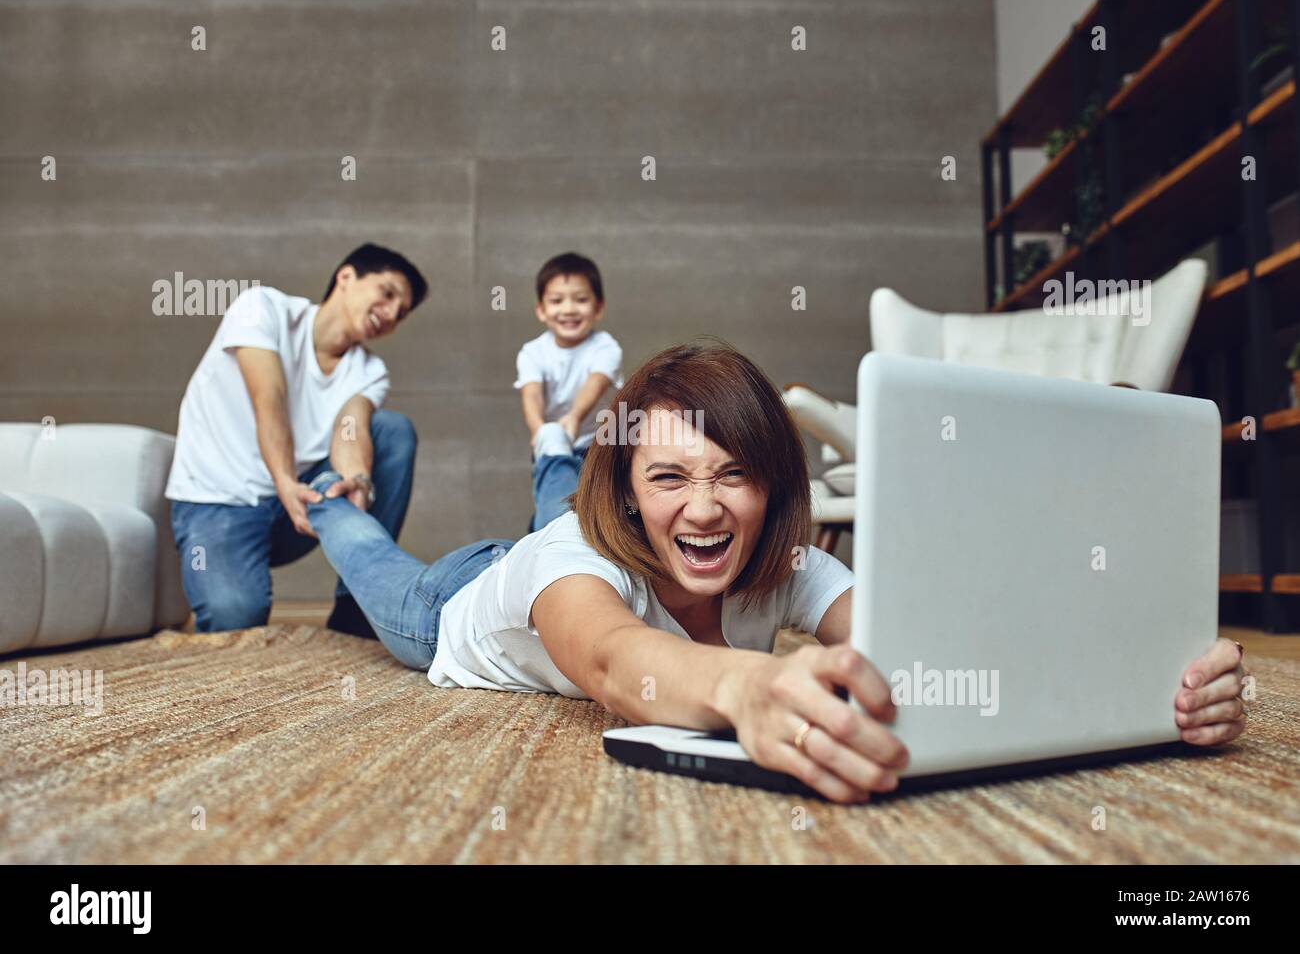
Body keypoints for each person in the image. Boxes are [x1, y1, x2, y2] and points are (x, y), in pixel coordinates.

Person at [302, 342, 1250, 804]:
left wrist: (1140, 674)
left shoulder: (782, 562)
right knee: (377, 563)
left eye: (735, 475)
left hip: (592, 523)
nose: (707, 508)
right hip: (462, 598)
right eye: (670, 477)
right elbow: (614, 664)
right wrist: (752, 688)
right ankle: (323, 501)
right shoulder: (573, 564)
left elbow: (906, 635)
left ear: (774, 485)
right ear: (634, 499)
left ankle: (566, 465)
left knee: (569, 482)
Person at [166, 243, 427, 638]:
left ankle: (355, 612)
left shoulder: (369, 370)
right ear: (346, 277)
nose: (391, 314)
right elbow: (269, 399)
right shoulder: (262, 308)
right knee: (235, 618)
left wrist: (358, 481)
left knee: (392, 430)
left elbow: (350, 427)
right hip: (218, 503)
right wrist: (285, 482)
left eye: (402, 313)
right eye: (387, 293)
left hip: (295, 509)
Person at [515, 252, 622, 530]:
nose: (569, 309)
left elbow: (595, 383)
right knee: (554, 500)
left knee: (595, 510)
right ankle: (541, 543)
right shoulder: (532, 352)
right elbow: (531, 393)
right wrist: (538, 429)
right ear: (541, 309)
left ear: (598, 308)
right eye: (557, 300)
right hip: (554, 442)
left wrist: (574, 417)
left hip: (598, 445)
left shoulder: (606, 347)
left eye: (581, 299)